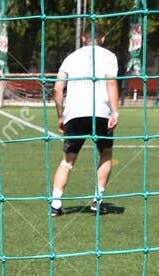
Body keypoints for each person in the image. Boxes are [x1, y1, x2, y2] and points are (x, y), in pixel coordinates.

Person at [51, 24, 119, 216]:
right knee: (106, 154)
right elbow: (111, 82)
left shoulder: (70, 58)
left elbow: (57, 89)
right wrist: (115, 112)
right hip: (101, 113)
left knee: (67, 162)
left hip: (74, 114)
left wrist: (60, 116)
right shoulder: (109, 56)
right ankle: (97, 201)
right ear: (103, 38)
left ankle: (55, 205)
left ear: (83, 38)